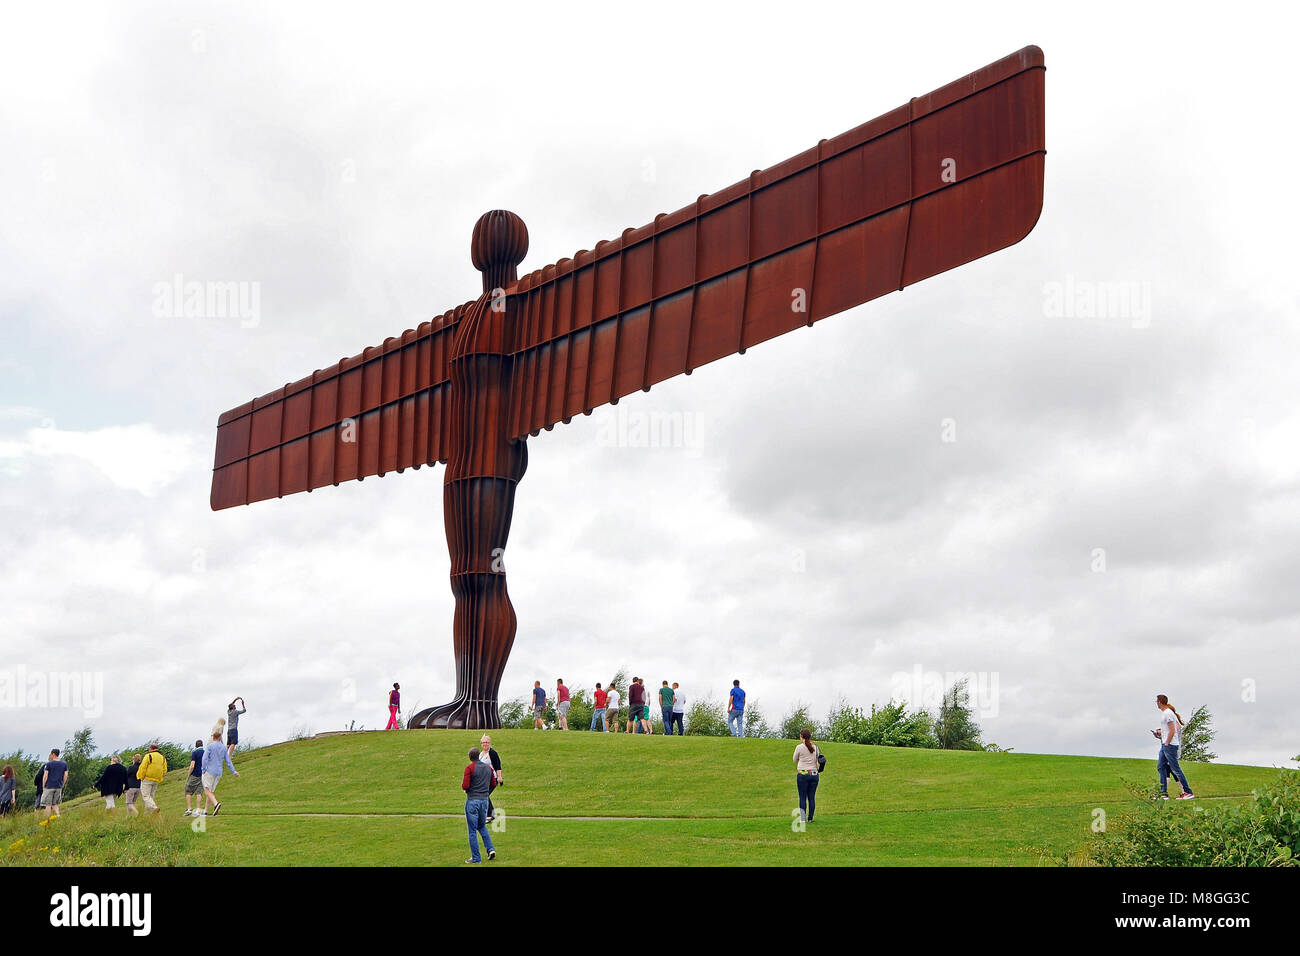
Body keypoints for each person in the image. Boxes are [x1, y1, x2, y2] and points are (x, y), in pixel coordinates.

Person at [1154, 695, 1195, 800]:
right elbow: (1168, 730)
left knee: (1175, 769)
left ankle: (1188, 792)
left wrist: (1167, 743)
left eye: (1156, 701)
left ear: (1160, 702)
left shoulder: (1168, 713)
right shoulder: (1166, 713)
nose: (1156, 703)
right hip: (1165, 744)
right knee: (1161, 767)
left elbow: (1173, 730)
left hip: (1170, 745)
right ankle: (1163, 793)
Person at [461, 747, 498, 863]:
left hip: (473, 800)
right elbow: (493, 783)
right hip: (484, 800)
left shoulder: (469, 768)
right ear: (479, 755)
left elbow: (465, 786)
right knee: (482, 826)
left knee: (472, 830)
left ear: (470, 757)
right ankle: (490, 849)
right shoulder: (488, 768)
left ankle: (476, 858)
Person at [202, 730, 239, 816]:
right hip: (219, 772)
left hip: (209, 771)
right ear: (220, 738)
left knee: (207, 791)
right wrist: (234, 771)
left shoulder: (210, 746)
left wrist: (203, 769)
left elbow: (204, 759)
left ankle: (216, 803)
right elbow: (228, 761)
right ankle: (205, 811)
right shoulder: (223, 748)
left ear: (213, 737)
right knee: (211, 791)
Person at [794, 728, 821, 822]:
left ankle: (802, 819)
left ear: (802, 737)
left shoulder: (799, 747)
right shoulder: (815, 747)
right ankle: (810, 818)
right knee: (811, 797)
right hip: (814, 774)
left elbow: (794, 759)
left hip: (803, 774)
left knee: (802, 797)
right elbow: (818, 759)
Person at [478, 734, 503, 822]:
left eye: (487, 742)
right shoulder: (481, 754)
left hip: (492, 779)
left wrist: (499, 777)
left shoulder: (492, 753)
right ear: (481, 744)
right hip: (483, 780)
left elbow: (498, 765)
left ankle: (490, 814)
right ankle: (490, 814)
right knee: (483, 795)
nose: (485, 744)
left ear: (490, 743)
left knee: (484, 795)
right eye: (483, 742)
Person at [136, 743, 168, 812]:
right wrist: (160, 777)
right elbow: (165, 769)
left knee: (146, 796)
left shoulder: (148, 756)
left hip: (147, 778)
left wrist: (141, 777)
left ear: (150, 749)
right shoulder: (162, 757)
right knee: (151, 797)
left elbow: (143, 767)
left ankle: (154, 808)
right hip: (156, 779)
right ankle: (148, 814)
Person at [39, 748, 69, 818]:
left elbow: (45, 776)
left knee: (48, 804)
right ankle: (58, 816)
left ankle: (47, 819)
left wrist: (43, 785)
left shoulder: (49, 764)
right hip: (58, 786)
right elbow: (66, 775)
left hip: (49, 786)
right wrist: (62, 784)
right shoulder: (64, 764)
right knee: (55, 804)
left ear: (53, 754)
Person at [183, 739, 206, 815]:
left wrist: (188, 775)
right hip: (203, 774)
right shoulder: (205, 752)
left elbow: (192, 765)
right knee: (199, 792)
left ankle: (189, 808)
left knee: (188, 791)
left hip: (195, 774)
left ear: (196, 745)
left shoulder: (195, 753)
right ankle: (198, 809)